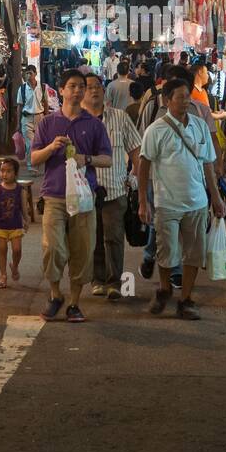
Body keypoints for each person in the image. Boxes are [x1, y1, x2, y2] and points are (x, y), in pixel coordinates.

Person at [138, 78, 226, 319]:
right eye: (180, 97)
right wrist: (143, 202)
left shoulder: (199, 126)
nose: (186, 101)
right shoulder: (155, 130)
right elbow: (143, 166)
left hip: (197, 202)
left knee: (194, 254)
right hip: (166, 202)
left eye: (188, 96)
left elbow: (208, 164)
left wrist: (216, 198)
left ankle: (186, 299)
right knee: (166, 252)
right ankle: (165, 289)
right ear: (167, 101)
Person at [31, 69, 112, 323]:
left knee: (82, 251)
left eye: (82, 87)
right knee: (53, 248)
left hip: (84, 197)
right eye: (73, 86)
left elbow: (107, 159)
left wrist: (84, 159)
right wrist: (50, 148)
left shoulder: (94, 124)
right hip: (54, 195)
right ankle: (56, 295)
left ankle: (74, 303)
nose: (78, 91)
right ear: (62, 90)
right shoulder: (47, 123)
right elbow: (33, 159)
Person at [83, 73, 142, 301]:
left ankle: (114, 282)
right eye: (89, 87)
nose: (94, 90)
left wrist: (134, 177)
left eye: (98, 86)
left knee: (114, 238)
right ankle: (97, 280)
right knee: (94, 237)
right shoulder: (77, 122)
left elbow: (136, 149)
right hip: (86, 192)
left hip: (115, 188)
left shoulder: (120, 117)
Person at [0, 157, 31, 289]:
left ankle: (15, 266)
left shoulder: (20, 190)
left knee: (17, 250)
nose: (4, 174)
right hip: (0, 224)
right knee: (2, 250)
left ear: (15, 173)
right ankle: (3, 275)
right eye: (2, 171)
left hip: (15, 224)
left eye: (8, 171)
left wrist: (26, 219)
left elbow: (24, 208)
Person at [16, 65, 44, 166]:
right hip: (26, 118)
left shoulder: (42, 87)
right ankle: (31, 164)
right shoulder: (22, 89)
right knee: (30, 144)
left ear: (35, 74)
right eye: (26, 73)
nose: (28, 75)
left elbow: (46, 103)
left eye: (30, 73)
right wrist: (18, 122)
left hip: (40, 117)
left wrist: (47, 119)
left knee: (38, 142)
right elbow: (19, 106)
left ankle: (37, 162)